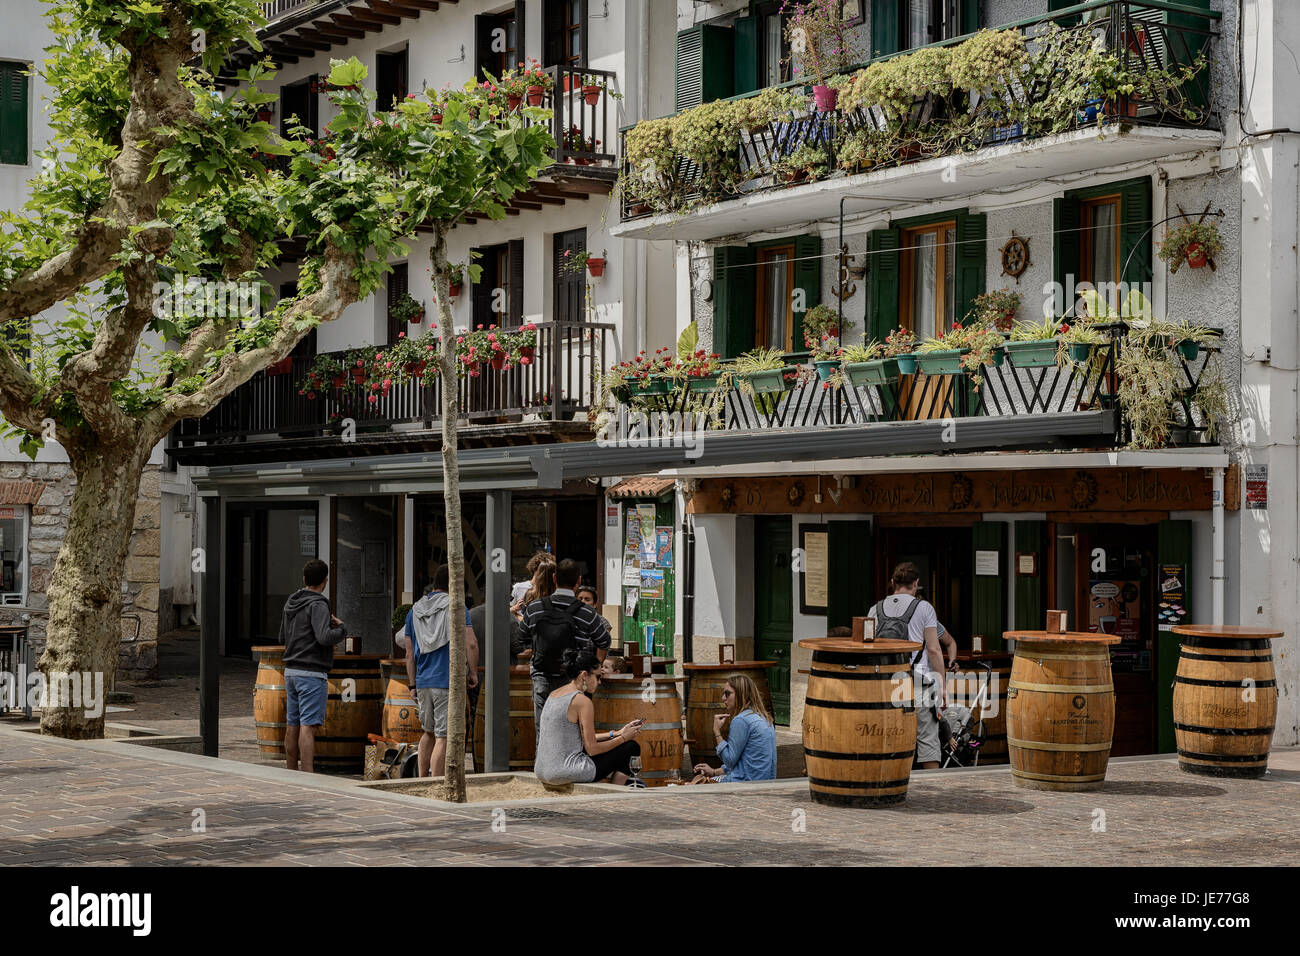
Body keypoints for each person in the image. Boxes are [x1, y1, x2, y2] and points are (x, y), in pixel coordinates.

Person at [867, 562, 946, 769]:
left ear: (892, 582)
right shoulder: (924, 608)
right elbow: (934, 649)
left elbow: (869, 648)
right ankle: (934, 790)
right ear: (916, 583)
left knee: (890, 738)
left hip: (886, 683)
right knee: (927, 740)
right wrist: (942, 684)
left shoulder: (875, 608)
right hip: (918, 681)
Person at [518, 558, 611, 730]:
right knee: (571, 732)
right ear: (579, 581)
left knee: (544, 731)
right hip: (573, 680)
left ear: (554, 578)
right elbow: (604, 641)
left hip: (542, 676)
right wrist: (594, 669)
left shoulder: (535, 607)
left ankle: (543, 757)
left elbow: (521, 636)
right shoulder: (588, 613)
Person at [404, 566, 478, 778]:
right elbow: (470, 643)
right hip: (447, 680)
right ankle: (437, 783)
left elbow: (409, 653)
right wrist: (473, 672)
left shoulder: (414, 610)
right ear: (454, 584)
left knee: (428, 733)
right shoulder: (456, 607)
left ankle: (421, 780)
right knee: (443, 736)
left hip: (423, 680)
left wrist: (412, 684)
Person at [534, 647, 643, 787]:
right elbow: (592, 748)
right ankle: (615, 793)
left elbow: (572, 737)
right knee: (631, 747)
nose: (599, 682)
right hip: (564, 771)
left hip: (542, 769)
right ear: (584, 675)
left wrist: (616, 733)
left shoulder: (554, 694)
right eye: (598, 676)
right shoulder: (582, 701)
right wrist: (623, 738)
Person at [279, 559, 347, 774]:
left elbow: (282, 636)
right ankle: (307, 774)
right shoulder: (318, 604)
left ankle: (291, 772)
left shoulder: (291, 602)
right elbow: (324, 637)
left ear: (304, 579)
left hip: (290, 670)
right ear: (325, 581)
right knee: (308, 727)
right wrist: (342, 629)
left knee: (292, 725)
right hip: (311, 672)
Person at [690, 673, 777, 784]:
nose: (723, 698)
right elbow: (745, 759)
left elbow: (730, 760)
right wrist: (714, 771)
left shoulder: (741, 720)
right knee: (701, 780)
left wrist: (717, 731)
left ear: (741, 694)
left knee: (695, 784)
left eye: (727, 694)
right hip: (766, 783)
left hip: (744, 784)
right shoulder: (764, 718)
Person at [510, 558, 555, 622]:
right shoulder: (521, 588)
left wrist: (516, 614)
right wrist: (514, 609)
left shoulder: (531, 593)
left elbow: (527, 622)